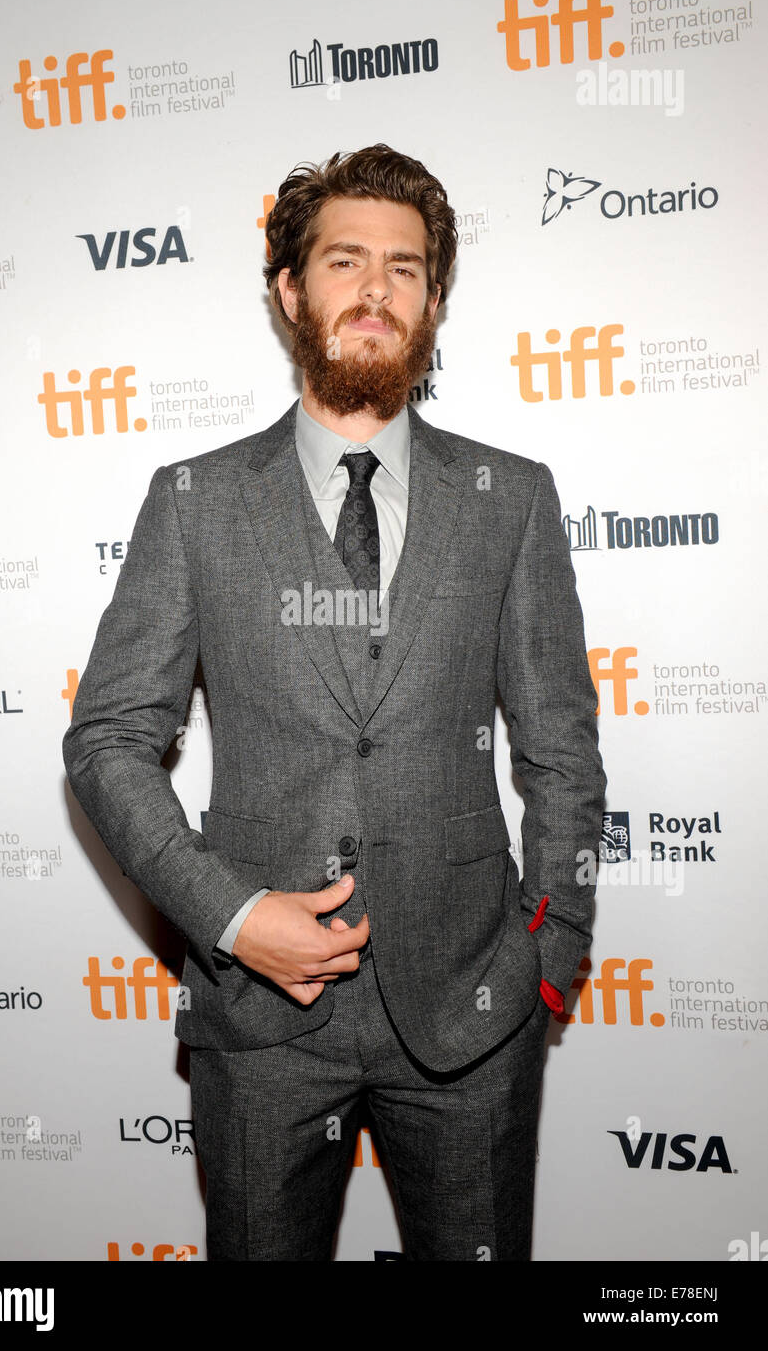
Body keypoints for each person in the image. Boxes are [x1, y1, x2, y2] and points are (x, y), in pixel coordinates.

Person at [63, 143, 606, 1261]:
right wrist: (227, 916)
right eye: (345, 260)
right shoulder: (195, 504)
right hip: (259, 1023)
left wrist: (550, 959)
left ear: (434, 301)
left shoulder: (511, 501)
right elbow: (110, 739)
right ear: (289, 290)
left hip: (472, 1009)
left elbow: (560, 750)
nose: (375, 289)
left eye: (405, 268)